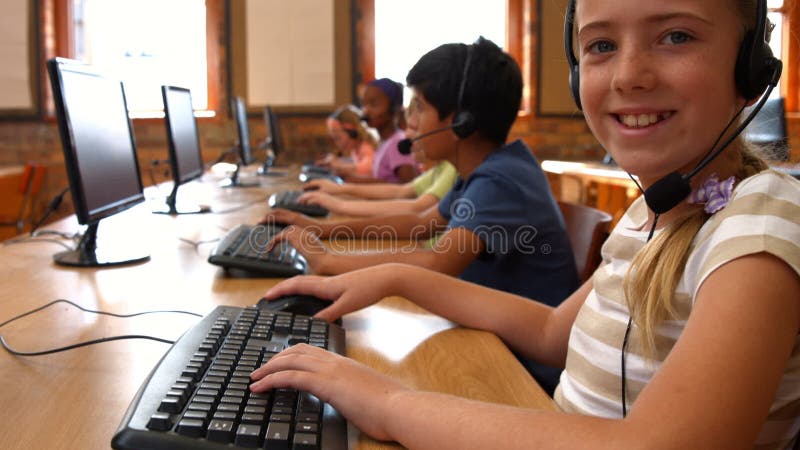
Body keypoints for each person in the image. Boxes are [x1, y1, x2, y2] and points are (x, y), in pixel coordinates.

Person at [250, 1, 800, 448]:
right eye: (602, 45)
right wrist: (396, 278)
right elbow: (550, 333)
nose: (630, 74)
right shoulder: (655, 210)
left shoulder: (761, 224)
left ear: (751, 67)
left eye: (677, 36)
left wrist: (389, 403)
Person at [262, 37, 578, 392]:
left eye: (419, 108)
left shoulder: (502, 180)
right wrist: (323, 232)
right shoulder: (481, 172)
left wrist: (330, 261)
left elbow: (436, 262)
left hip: (524, 370)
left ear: (462, 122)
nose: (409, 122)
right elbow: (418, 223)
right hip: (492, 340)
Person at [295, 102, 459, 217]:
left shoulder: (452, 169)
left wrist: (340, 202)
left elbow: (415, 207)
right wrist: (339, 191)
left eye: (414, 128)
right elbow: (401, 191)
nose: (407, 135)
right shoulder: (442, 168)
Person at [355, 78, 418, 183]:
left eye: (373, 104)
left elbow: (409, 187)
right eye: (364, 105)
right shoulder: (385, 141)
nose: (365, 111)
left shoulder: (397, 143)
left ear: (394, 108)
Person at [315, 105, 376, 180]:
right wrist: (335, 162)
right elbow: (355, 163)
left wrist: (338, 165)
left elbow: (369, 168)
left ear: (351, 132)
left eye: (338, 138)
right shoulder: (356, 149)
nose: (336, 143)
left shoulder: (366, 147)